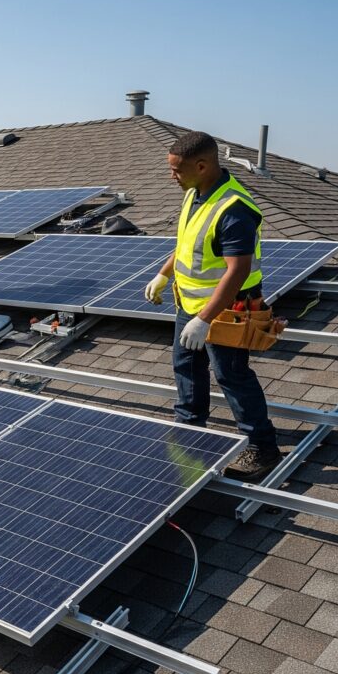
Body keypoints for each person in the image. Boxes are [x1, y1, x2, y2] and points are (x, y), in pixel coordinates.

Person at [143, 130, 282, 480]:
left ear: (202, 166)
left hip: (229, 310)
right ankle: (190, 430)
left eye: (177, 170)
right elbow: (187, 244)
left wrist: (205, 319)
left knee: (231, 375)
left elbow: (238, 271)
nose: (172, 176)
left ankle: (262, 448)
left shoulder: (234, 209)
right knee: (186, 366)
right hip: (191, 306)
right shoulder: (195, 194)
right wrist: (163, 274)